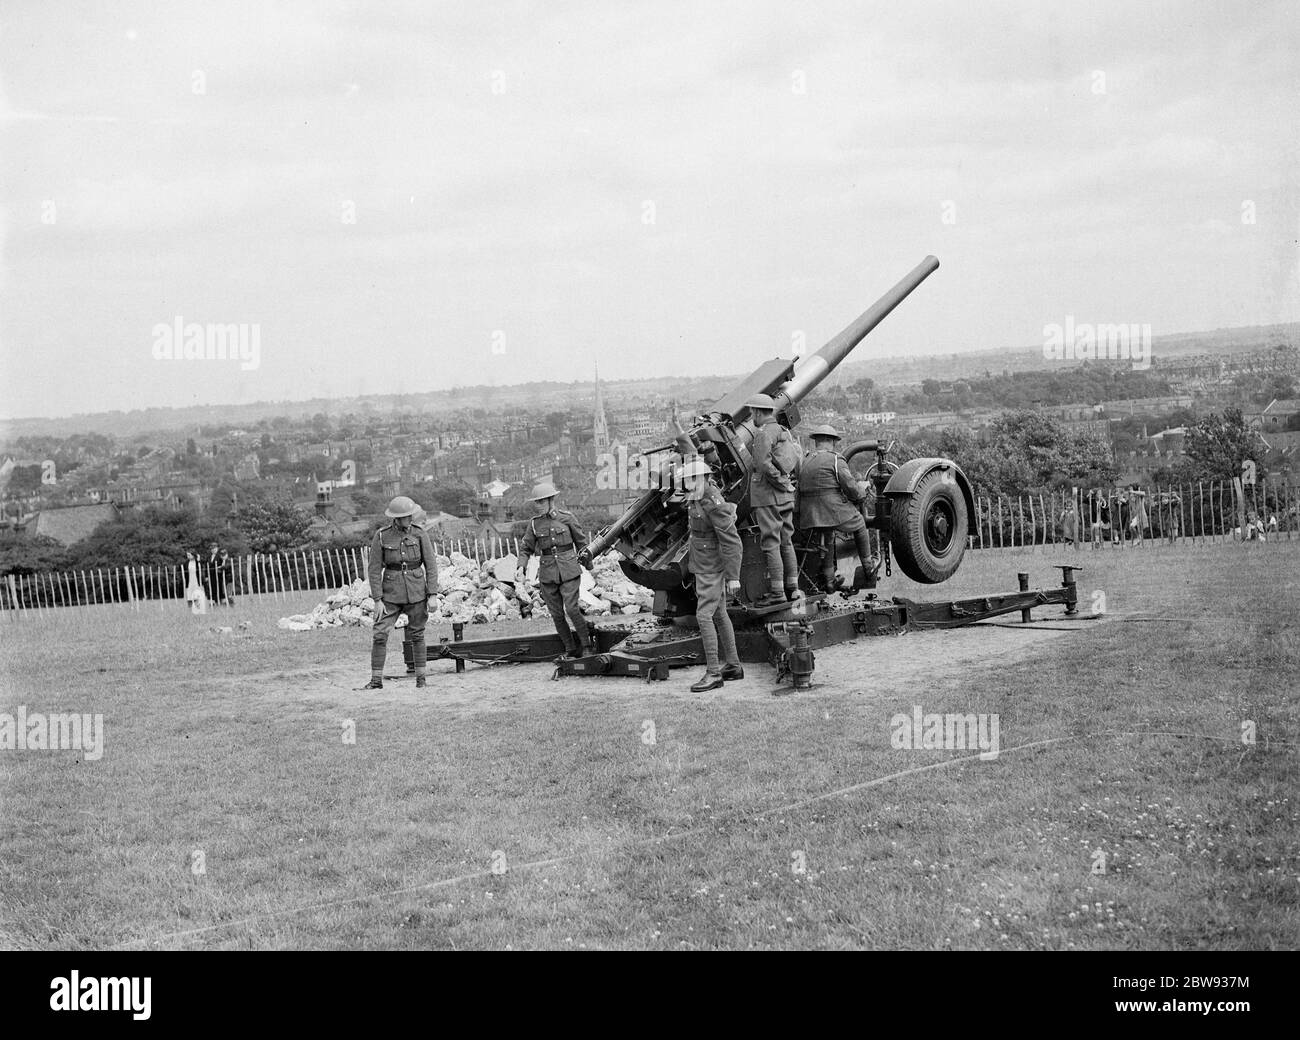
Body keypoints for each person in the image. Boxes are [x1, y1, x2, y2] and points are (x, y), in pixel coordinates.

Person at [678, 456, 744, 691]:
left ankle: (714, 673)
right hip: (704, 563)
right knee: (718, 613)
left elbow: (732, 540)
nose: (688, 484)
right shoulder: (698, 495)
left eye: (693, 479)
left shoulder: (712, 501)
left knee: (704, 616)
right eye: (686, 480)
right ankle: (733, 665)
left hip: (711, 568)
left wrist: (733, 576)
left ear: (705, 478)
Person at [361, 495, 438, 690]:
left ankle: (421, 680)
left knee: (418, 635)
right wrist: (377, 600)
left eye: (411, 515)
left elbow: (431, 566)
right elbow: (374, 569)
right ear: (396, 518)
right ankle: (376, 680)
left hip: (416, 592)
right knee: (379, 634)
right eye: (406, 516)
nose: (410, 519)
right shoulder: (381, 536)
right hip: (390, 595)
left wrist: (432, 594)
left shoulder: (420, 534)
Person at [516, 482, 596, 659]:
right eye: (536, 502)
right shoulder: (535, 524)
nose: (537, 505)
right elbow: (526, 548)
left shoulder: (567, 518)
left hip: (569, 570)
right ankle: (570, 648)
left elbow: (582, 544)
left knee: (572, 609)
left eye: (541, 502)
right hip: (547, 574)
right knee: (557, 614)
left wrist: (589, 565)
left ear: (551, 500)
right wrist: (521, 567)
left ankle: (587, 645)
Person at [795, 425, 879, 591]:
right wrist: (862, 490)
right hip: (831, 509)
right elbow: (851, 489)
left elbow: (799, 488)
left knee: (827, 536)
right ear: (832, 441)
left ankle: (829, 580)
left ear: (817, 442)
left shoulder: (805, 460)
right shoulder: (835, 460)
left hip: (809, 514)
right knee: (860, 524)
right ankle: (869, 568)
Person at [746, 392, 801, 605]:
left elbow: (763, 465)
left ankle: (777, 592)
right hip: (785, 496)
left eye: (752, 411)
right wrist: (786, 484)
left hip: (769, 496)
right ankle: (793, 589)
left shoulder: (763, 434)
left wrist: (779, 482)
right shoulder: (782, 431)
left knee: (771, 543)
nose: (752, 415)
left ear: (759, 412)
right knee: (787, 541)